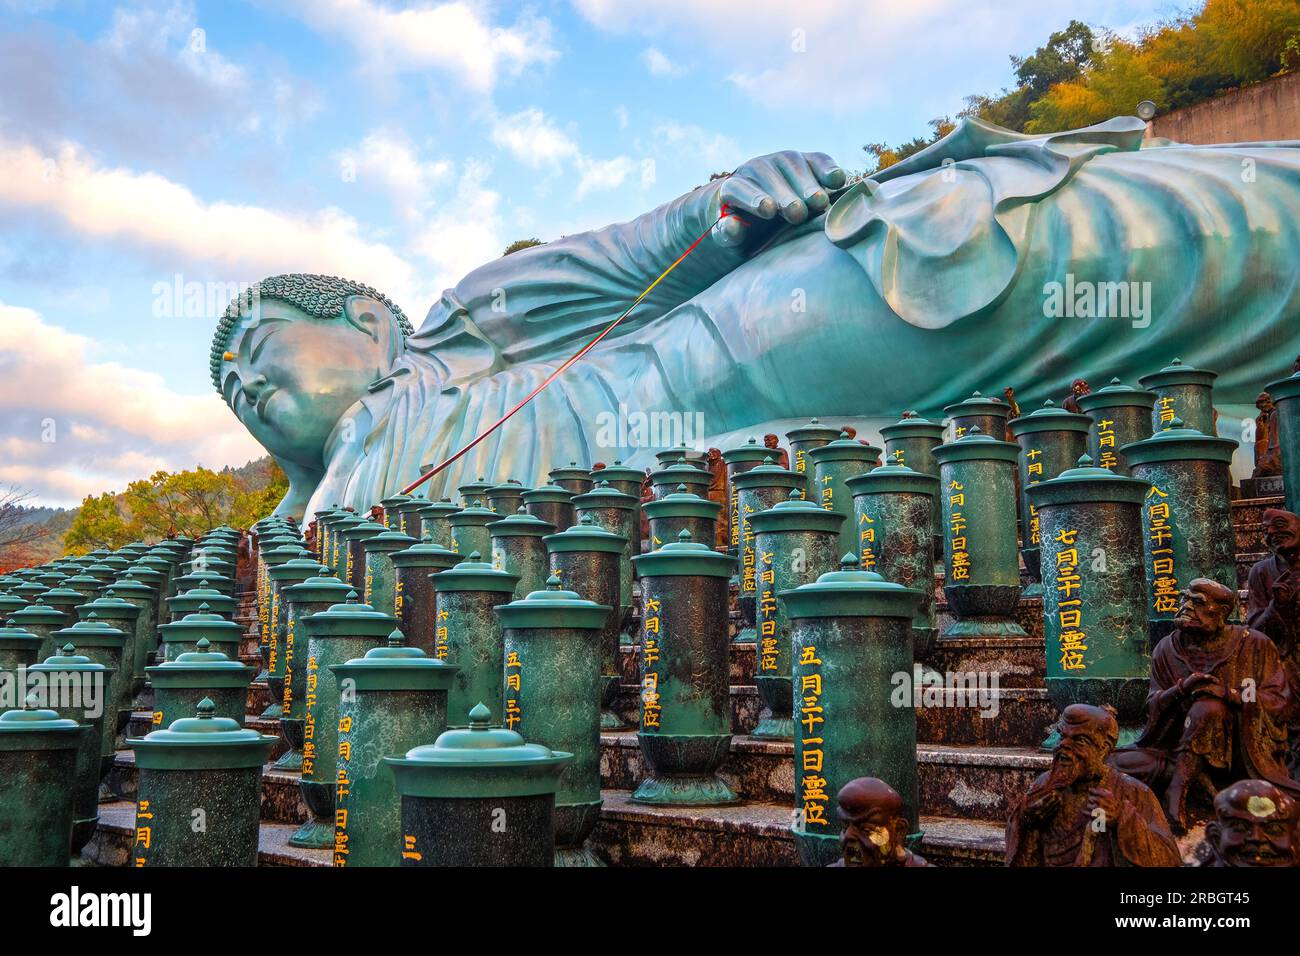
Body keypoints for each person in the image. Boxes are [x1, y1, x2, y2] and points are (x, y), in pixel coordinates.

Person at [1007, 704, 1180, 866]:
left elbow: (1169, 859)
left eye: (1079, 740)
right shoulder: (1044, 785)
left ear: (1103, 748)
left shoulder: (1131, 791)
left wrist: (1122, 818)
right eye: (1062, 736)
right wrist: (1026, 818)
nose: (1063, 745)